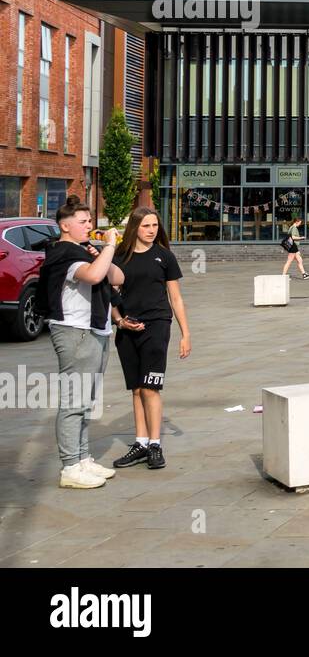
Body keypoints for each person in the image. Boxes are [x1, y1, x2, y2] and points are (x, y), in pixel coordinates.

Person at [36, 197, 123, 489]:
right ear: (65, 226)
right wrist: (109, 247)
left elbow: (117, 276)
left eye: (89, 221)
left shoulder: (82, 251)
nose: (89, 226)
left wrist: (100, 252)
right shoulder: (63, 254)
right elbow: (95, 275)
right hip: (75, 332)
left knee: (87, 400)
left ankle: (83, 458)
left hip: (95, 330)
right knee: (74, 402)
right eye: (83, 222)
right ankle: (70, 466)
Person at [108, 207, 191, 471]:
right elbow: (109, 293)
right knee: (136, 388)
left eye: (155, 225)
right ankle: (141, 443)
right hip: (127, 327)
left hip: (157, 324)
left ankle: (155, 444)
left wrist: (185, 334)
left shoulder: (164, 256)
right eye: (146, 226)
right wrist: (120, 321)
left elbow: (176, 298)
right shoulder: (120, 256)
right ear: (134, 228)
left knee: (150, 387)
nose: (152, 230)